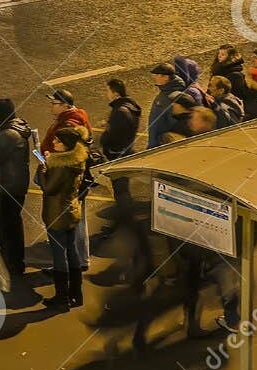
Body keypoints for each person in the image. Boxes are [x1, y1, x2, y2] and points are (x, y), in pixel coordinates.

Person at [41, 127, 87, 311]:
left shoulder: (60, 165)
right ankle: (77, 294)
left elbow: (48, 188)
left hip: (57, 214)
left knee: (60, 256)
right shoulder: (77, 160)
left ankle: (62, 298)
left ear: (66, 145)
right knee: (72, 251)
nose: (54, 143)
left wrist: (43, 168)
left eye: (58, 141)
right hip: (71, 211)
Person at [0, 99, 35, 276]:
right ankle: (15, 260)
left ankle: (13, 262)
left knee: (8, 224)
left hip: (9, 185)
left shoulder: (8, 134)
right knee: (13, 222)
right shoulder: (19, 128)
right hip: (17, 183)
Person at [94, 80, 142, 241]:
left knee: (121, 191)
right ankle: (123, 222)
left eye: (107, 91)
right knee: (121, 190)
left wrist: (106, 135)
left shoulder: (120, 111)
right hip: (125, 152)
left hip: (118, 155)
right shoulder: (129, 106)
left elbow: (115, 135)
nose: (105, 94)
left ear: (115, 93)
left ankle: (126, 225)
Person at [147, 62, 188, 148]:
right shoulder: (169, 92)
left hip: (161, 145)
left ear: (166, 77)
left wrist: (152, 145)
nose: (154, 77)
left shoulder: (169, 98)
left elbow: (160, 125)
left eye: (157, 75)